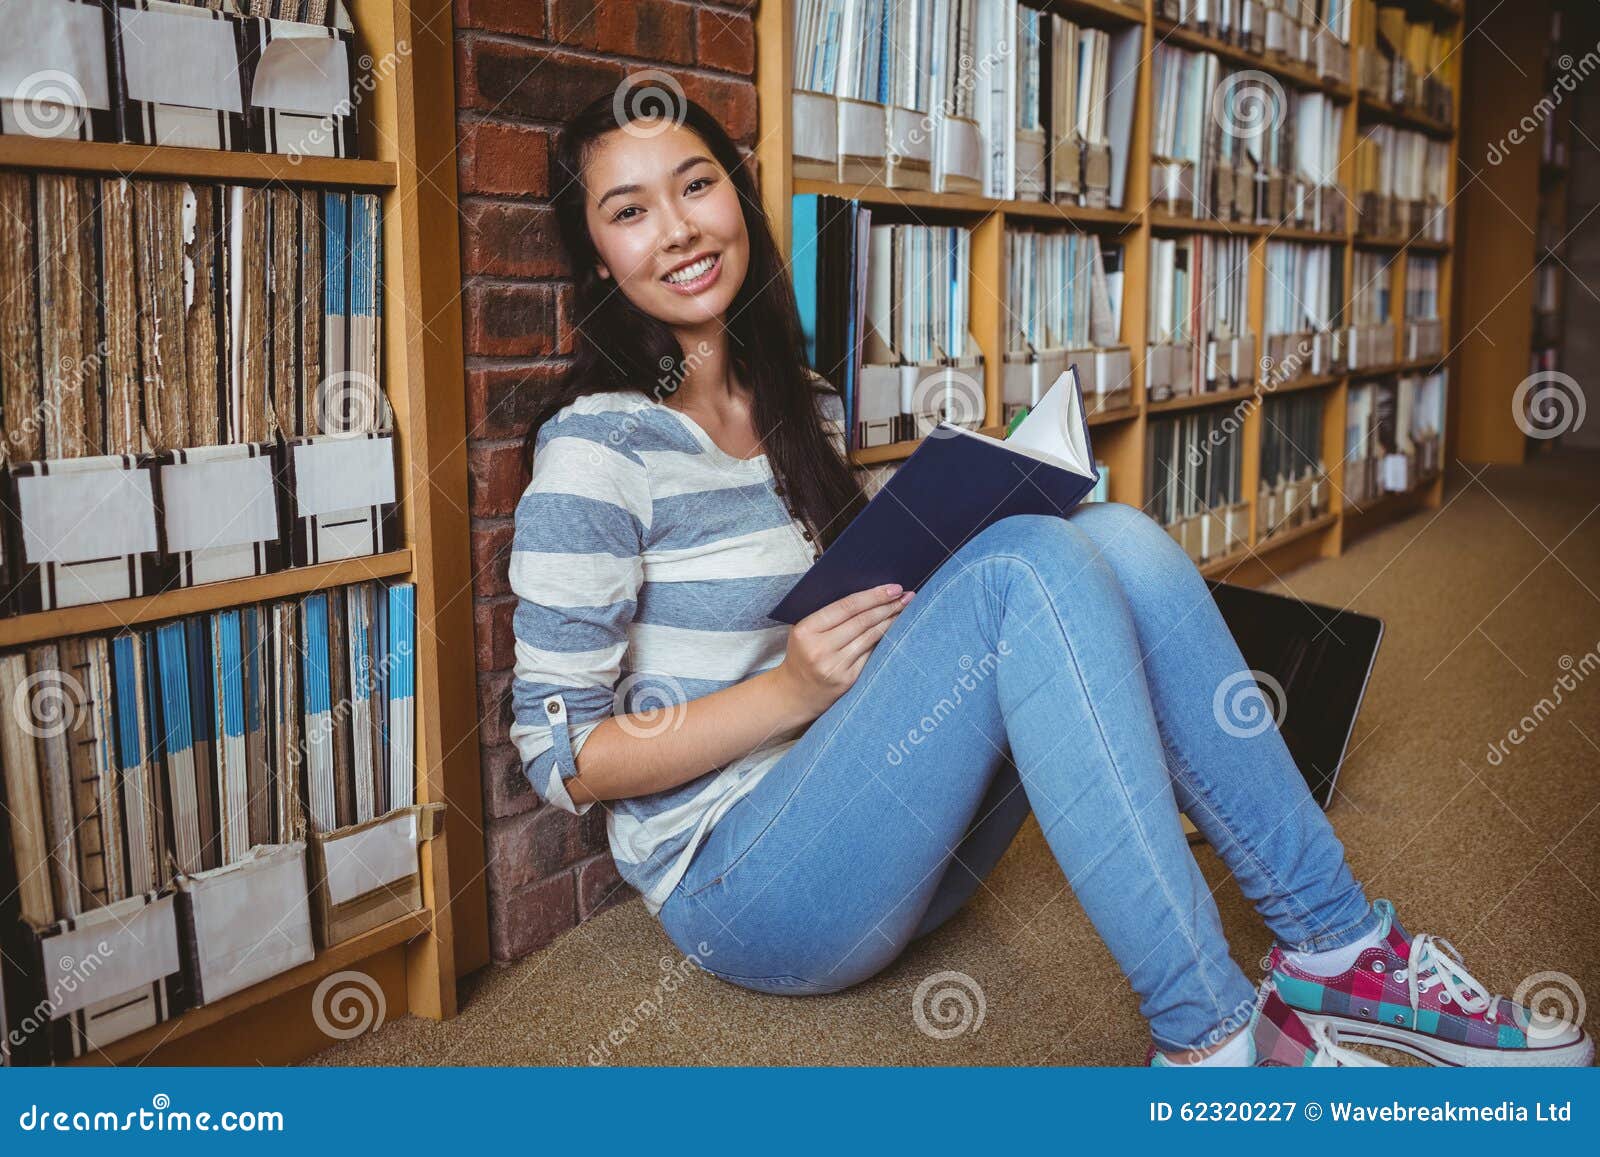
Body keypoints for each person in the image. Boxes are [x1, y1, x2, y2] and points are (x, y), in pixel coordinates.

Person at [507, 90, 1592, 1068]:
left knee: (1108, 532)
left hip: (881, 833)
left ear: (737, 197)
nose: (682, 226)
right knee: (1024, 568)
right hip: (745, 891)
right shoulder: (597, 449)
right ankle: (1211, 1037)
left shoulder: (804, 404)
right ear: (598, 256)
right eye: (631, 209)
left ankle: (1336, 945)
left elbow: (871, 621)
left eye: (697, 185)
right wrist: (788, 692)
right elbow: (561, 759)